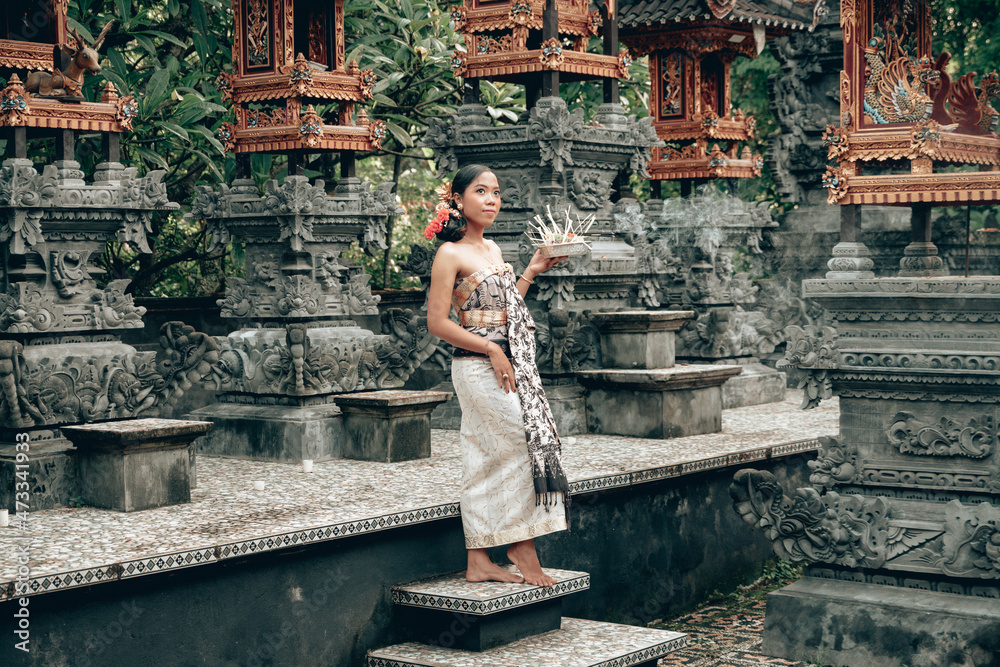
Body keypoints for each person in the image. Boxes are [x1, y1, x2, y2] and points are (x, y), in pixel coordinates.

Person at [426, 164, 569, 587]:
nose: (492, 200)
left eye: (497, 193)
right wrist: (489, 348)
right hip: (476, 367)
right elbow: (437, 322)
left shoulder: (494, 250)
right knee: (522, 441)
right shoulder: (449, 254)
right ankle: (521, 548)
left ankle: (478, 560)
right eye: (481, 191)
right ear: (458, 199)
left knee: (484, 456)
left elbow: (505, 314)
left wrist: (532, 270)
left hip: (507, 364)